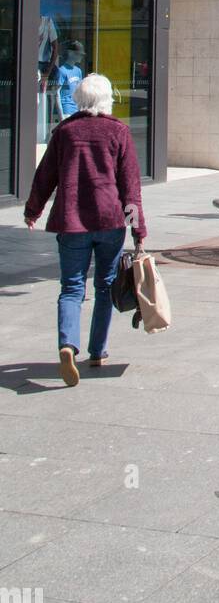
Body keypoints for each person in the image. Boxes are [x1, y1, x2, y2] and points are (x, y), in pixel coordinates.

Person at [23, 73, 146, 387]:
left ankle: (67, 344)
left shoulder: (65, 132)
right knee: (105, 286)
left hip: (72, 219)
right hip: (109, 221)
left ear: (79, 99)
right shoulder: (118, 132)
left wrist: (32, 210)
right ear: (107, 99)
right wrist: (138, 229)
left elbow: (45, 175)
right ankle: (97, 350)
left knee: (71, 288)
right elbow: (130, 186)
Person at [56, 42, 85, 117]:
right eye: (78, 54)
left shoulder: (78, 71)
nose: (81, 56)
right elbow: (56, 93)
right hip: (66, 110)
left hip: (77, 110)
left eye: (82, 54)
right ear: (71, 53)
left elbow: (79, 92)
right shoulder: (62, 71)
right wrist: (61, 115)